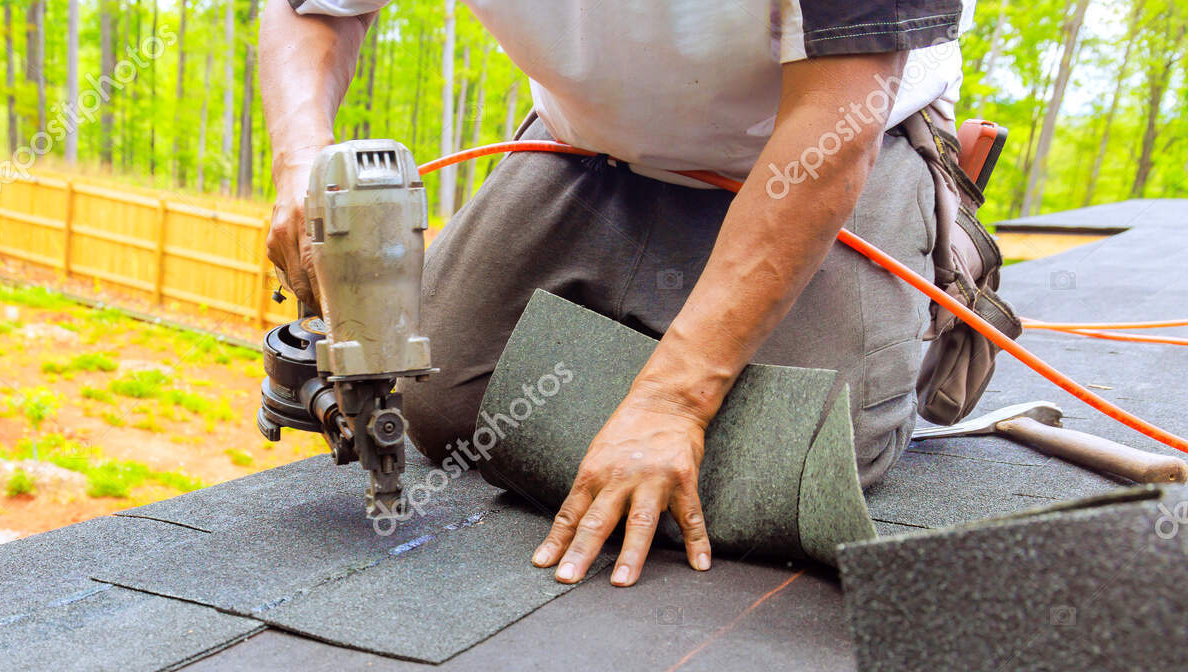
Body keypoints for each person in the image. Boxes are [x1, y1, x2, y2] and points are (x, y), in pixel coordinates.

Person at [261, 1, 968, 586]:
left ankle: (921, 306)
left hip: (824, 145)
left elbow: (837, 118)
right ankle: (672, 341)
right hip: (590, 144)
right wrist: (299, 166)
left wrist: (675, 400)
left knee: (804, 463)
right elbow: (314, 10)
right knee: (445, 406)